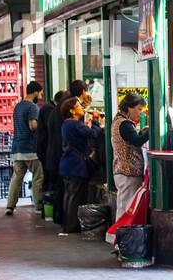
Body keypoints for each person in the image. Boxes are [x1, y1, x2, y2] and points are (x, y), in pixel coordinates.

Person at [58, 97, 103, 235]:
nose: (82, 108)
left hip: (67, 165)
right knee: (75, 196)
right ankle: (72, 226)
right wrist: (96, 121)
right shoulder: (74, 124)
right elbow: (93, 133)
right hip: (75, 165)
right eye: (78, 106)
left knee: (70, 195)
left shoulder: (66, 124)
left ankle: (68, 224)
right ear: (72, 111)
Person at [5, 81, 44, 216]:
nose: (41, 95)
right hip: (30, 149)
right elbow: (33, 125)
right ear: (35, 92)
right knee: (38, 177)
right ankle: (38, 206)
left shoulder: (18, 106)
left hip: (17, 148)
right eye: (40, 92)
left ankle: (10, 206)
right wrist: (43, 127)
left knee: (16, 178)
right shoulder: (32, 107)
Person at [110, 93, 151, 221]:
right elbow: (136, 141)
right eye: (139, 109)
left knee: (123, 206)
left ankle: (119, 236)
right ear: (129, 107)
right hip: (128, 171)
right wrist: (151, 130)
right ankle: (122, 237)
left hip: (121, 169)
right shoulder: (125, 124)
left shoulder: (117, 121)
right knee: (126, 208)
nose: (140, 113)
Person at [37, 90, 68, 224]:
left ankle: (48, 213)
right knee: (54, 186)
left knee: (50, 184)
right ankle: (54, 213)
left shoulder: (50, 110)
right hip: (51, 155)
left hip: (48, 154)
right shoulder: (52, 111)